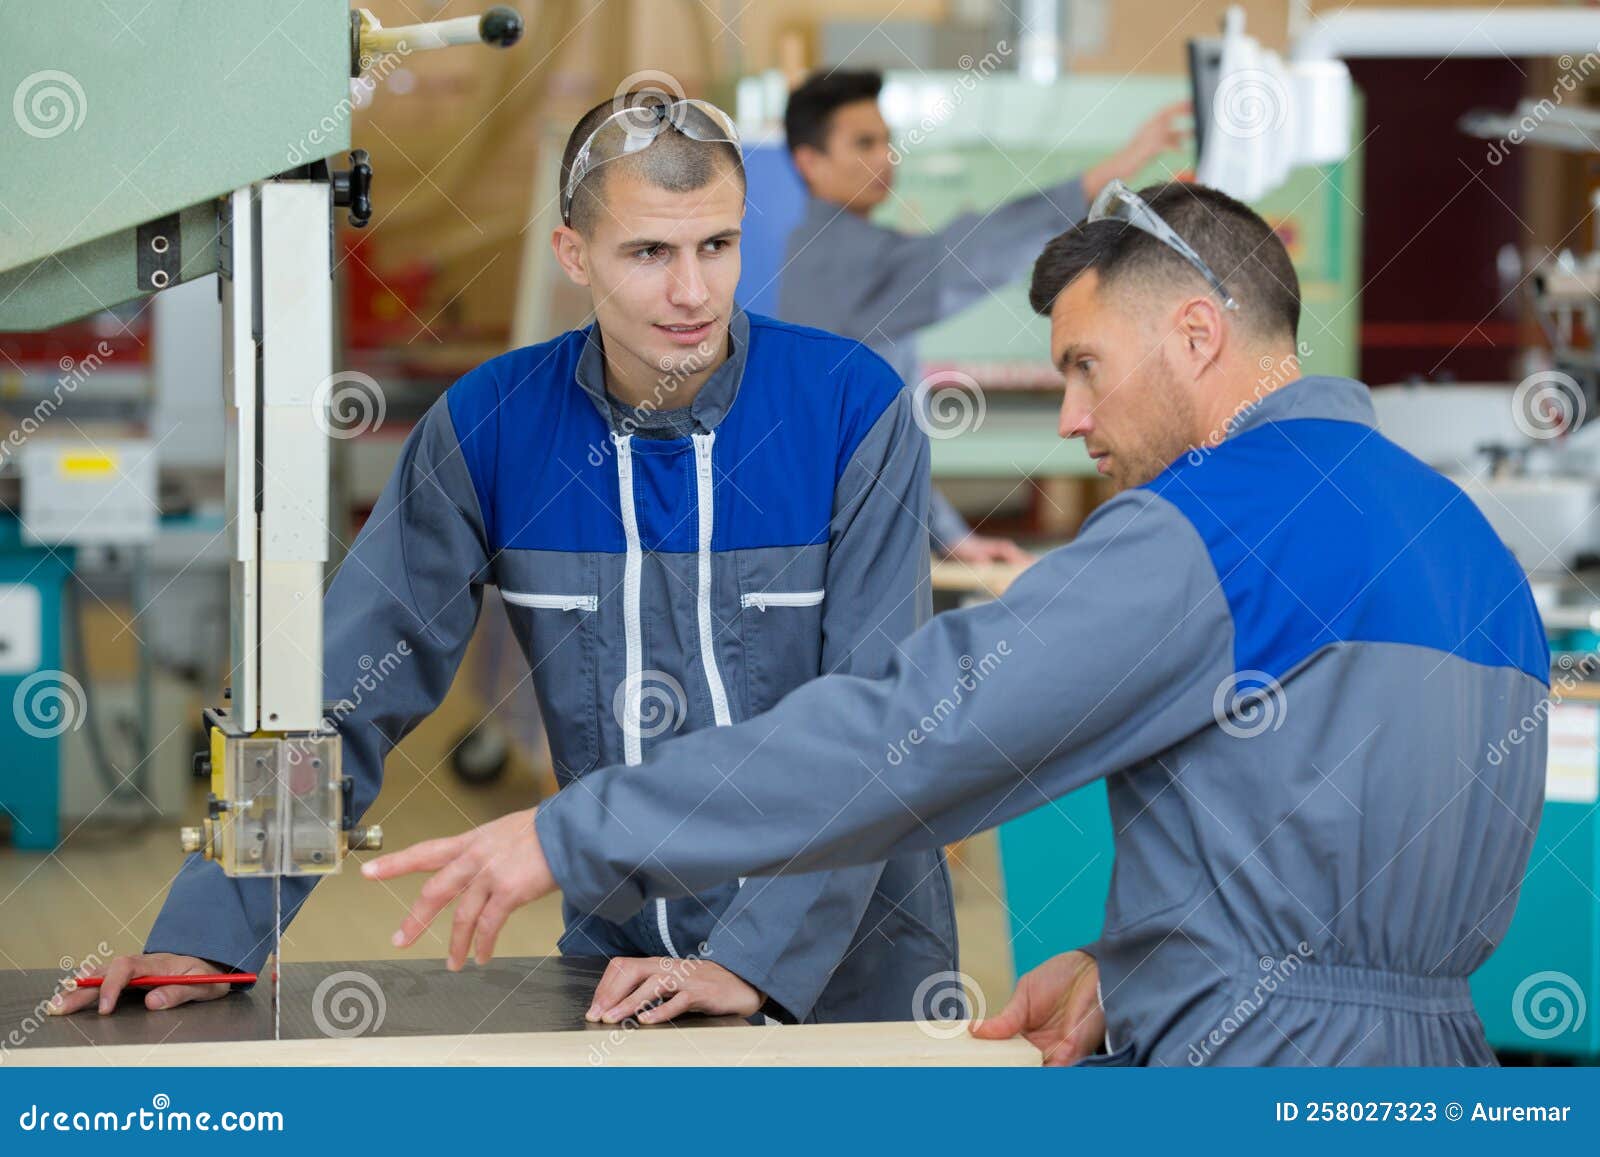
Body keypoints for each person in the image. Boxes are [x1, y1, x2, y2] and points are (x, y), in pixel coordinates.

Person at [360, 181, 1549, 1066]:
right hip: (1437, 1070)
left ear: (1197, 333)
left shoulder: (1211, 527)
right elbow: (1338, 856)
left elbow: (918, 731)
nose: (1073, 417)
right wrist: (1152, 964)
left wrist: (578, 831)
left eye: (1085, 366)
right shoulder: (1468, 545)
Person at [48, 93, 958, 1028]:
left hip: (855, 974)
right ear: (574, 254)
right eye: (649, 252)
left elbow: (877, 721)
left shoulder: (852, 409)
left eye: (715, 247)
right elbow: (339, 692)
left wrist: (752, 960)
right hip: (624, 977)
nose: (693, 293)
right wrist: (211, 934)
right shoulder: (493, 426)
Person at [778, 69, 1186, 566]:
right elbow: (967, 256)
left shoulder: (847, 253)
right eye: (863, 143)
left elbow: (885, 437)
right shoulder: (837, 261)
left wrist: (952, 539)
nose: (885, 158)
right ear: (809, 161)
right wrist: (1120, 168)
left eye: (888, 141)